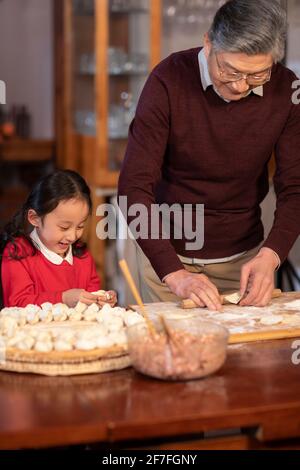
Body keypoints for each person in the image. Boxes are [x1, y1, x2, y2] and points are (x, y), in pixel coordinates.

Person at [118, 0, 300, 310]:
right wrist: (174, 273)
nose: (241, 86)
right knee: (173, 353)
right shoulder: (167, 80)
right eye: (230, 71)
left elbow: (295, 186)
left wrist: (271, 255)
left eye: (257, 75)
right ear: (208, 43)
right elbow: (133, 187)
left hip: (242, 261)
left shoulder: (287, 89)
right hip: (167, 258)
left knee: (241, 354)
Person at [0, 169, 117, 308]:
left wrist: (100, 300)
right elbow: (17, 304)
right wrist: (63, 298)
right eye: (64, 227)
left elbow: (90, 298)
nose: (72, 236)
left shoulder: (81, 254)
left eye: (80, 226)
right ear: (34, 218)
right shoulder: (18, 253)